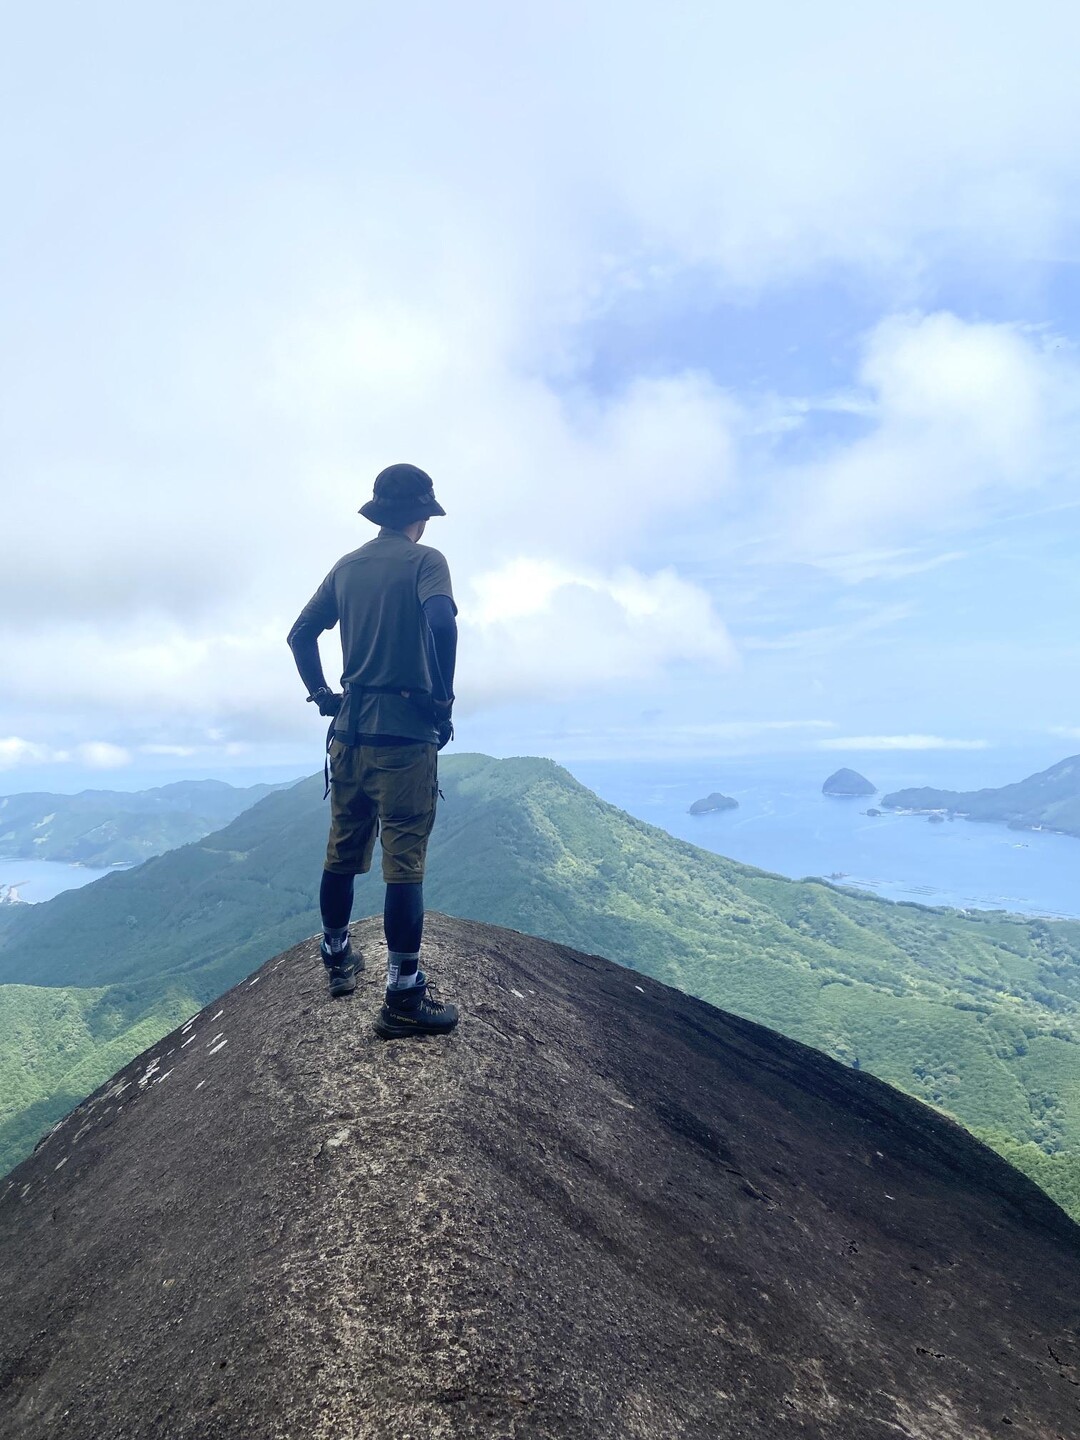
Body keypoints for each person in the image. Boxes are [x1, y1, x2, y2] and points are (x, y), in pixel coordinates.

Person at [287, 463, 459, 1038]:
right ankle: (403, 996)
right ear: (421, 516)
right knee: (403, 865)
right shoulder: (425, 563)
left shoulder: (348, 565)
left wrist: (323, 697)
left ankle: (338, 958)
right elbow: (442, 621)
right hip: (406, 736)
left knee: (341, 850)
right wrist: (444, 699)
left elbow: (299, 633)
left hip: (350, 734)